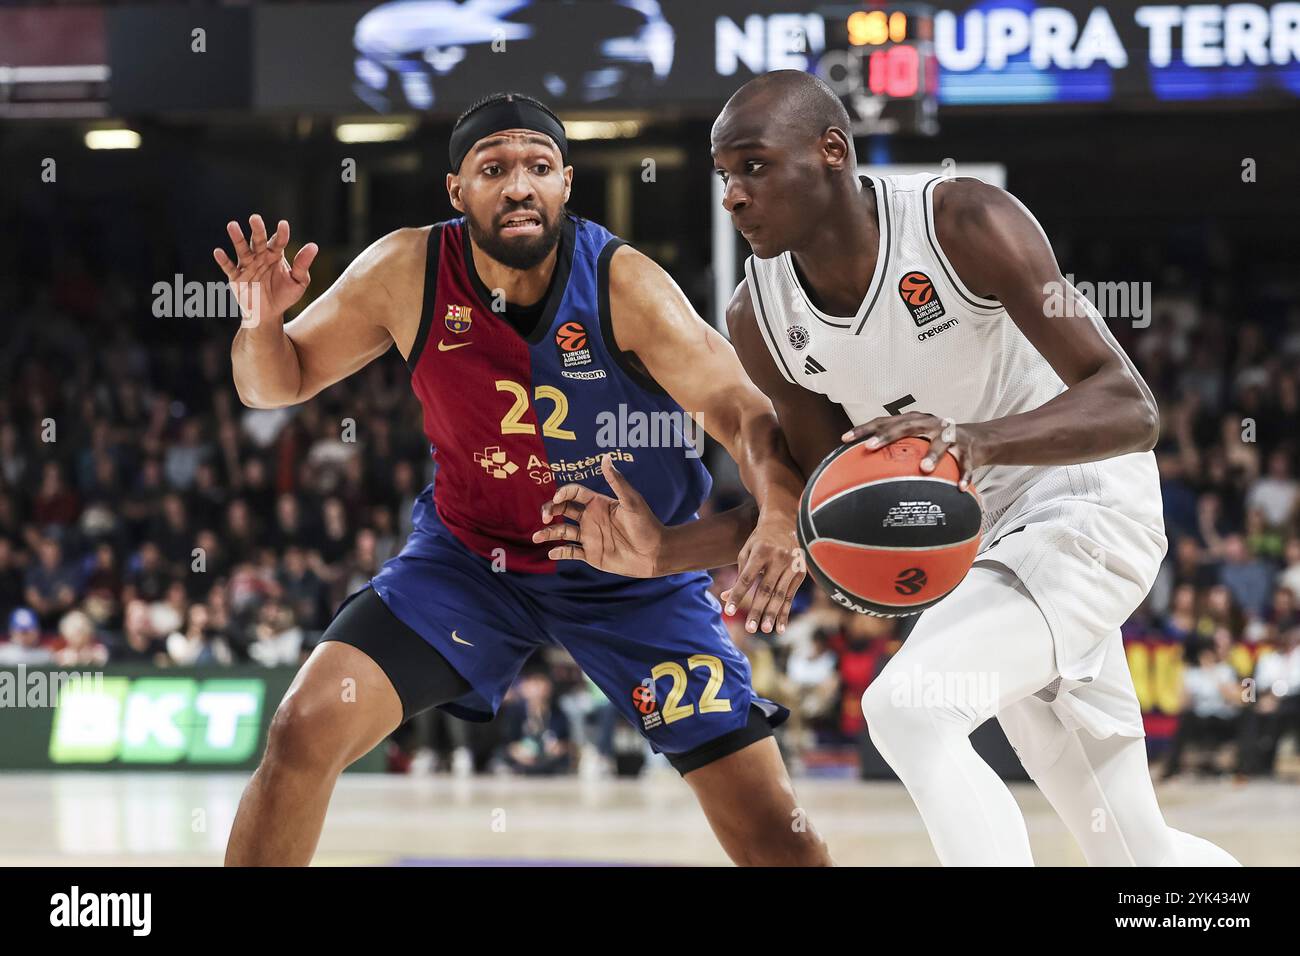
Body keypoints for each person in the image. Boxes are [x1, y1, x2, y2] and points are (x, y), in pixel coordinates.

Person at [559, 70, 1239, 866]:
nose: (733, 196)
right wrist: (665, 552)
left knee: (911, 709)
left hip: (1083, 509)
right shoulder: (760, 313)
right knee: (1136, 855)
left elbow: (1131, 407)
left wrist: (976, 441)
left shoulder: (960, 221)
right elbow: (824, 506)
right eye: (724, 176)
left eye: (753, 166)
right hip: (985, 552)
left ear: (832, 152)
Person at [217, 92, 829, 866]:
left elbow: (745, 416)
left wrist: (777, 516)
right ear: (456, 190)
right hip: (470, 564)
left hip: (633, 576)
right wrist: (259, 323)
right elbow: (273, 384)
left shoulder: (625, 284)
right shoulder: (407, 270)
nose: (518, 186)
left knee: (776, 833)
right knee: (303, 726)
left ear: (566, 183)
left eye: (539, 167)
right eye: (494, 168)